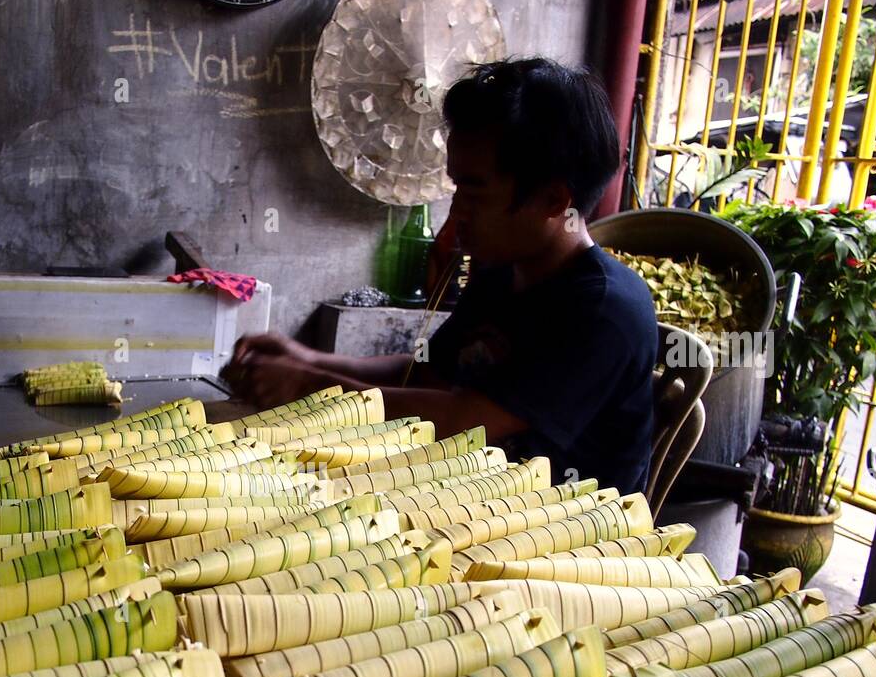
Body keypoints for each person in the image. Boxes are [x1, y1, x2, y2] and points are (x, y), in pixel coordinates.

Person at [223, 57, 659, 495]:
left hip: (561, 537)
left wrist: (308, 386)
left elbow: (465, 421)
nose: (456, 214)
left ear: (552, 199)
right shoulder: (500, 271)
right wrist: (309, 359)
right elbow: (425, 374)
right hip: (465, 497)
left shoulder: (604, 309)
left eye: (473, 192)